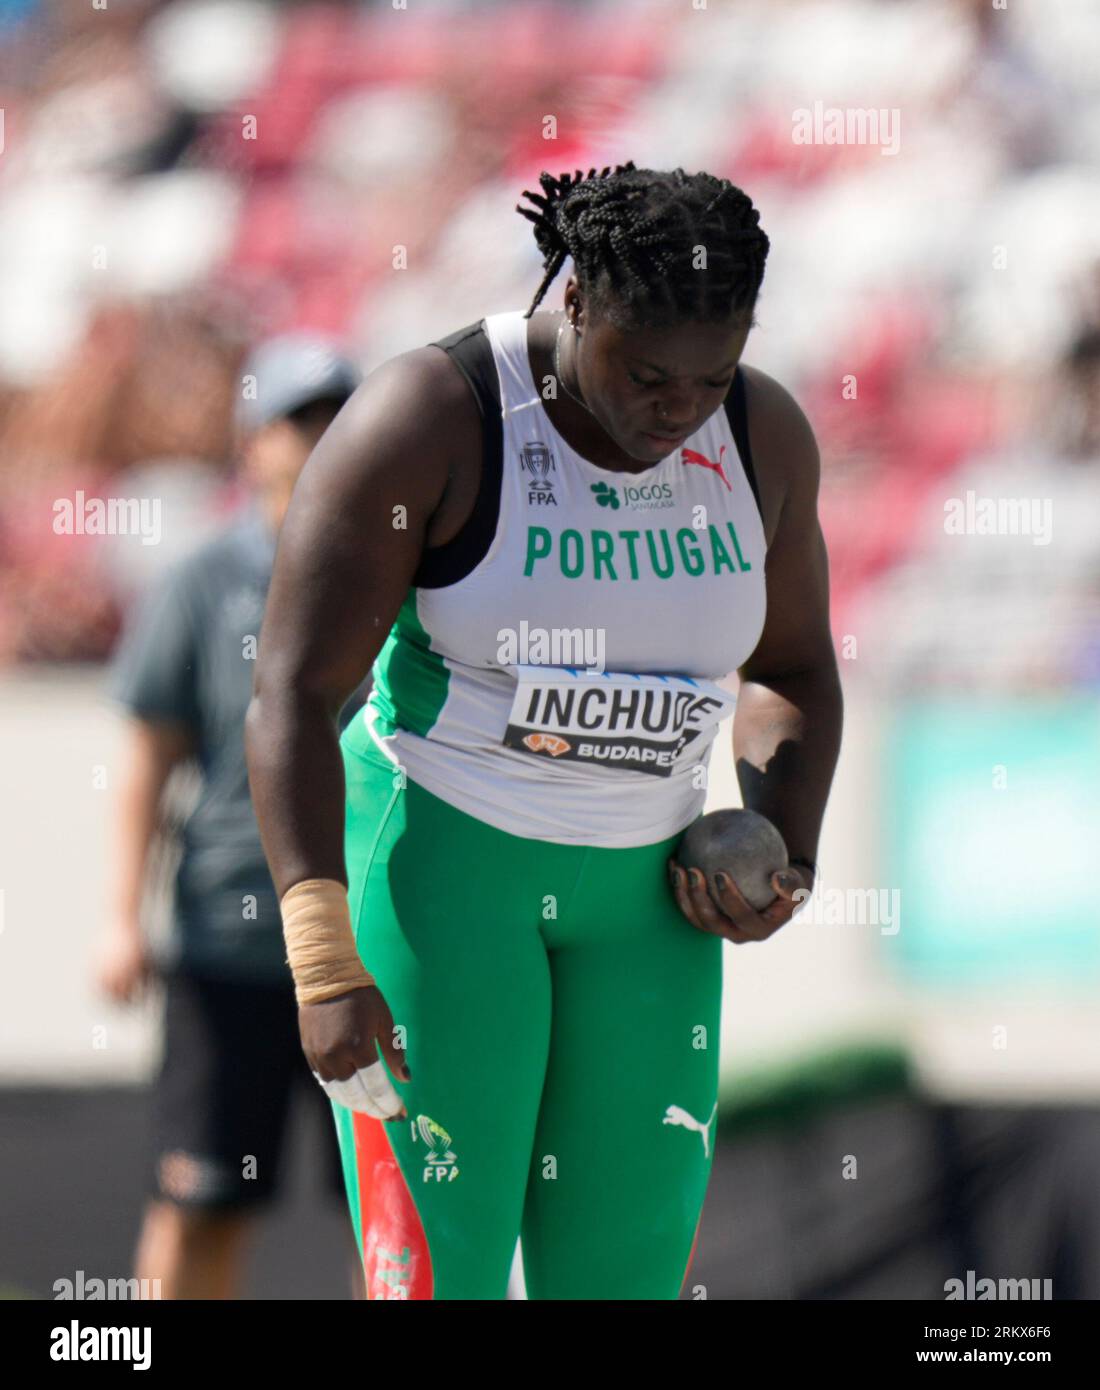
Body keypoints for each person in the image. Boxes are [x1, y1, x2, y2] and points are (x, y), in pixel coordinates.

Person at [245, 163, 843, 1300]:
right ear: (573, 303)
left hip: (649, 907)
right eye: (646, 373)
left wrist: (783, 846)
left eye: (708, 378)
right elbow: (290, 692)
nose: (676, 409)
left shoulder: (761, 434)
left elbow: (796, 667)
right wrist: (321, 956)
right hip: (442, 878)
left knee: (621, 1284)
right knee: (439, 1283)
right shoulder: (431, 415)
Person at [97, 333, 364, 1299]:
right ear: (255, 440)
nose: (323, 436)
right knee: (199, 1199)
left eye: (339, 414)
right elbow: (147, 763)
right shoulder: (202, 583)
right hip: (228, 946)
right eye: (301, 417)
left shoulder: (404, 577)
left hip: (375, 944)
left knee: (390, 1211)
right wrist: (120, 918)